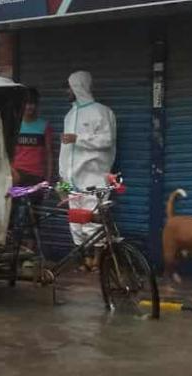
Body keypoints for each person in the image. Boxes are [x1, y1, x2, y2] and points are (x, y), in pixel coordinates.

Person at [60, 70, 116, 268]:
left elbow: (107, 141)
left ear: (78, 87)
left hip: (94, 179)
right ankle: (85, 260)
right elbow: (65, 151)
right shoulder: (70, 115)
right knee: (76, 223)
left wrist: (79, 139)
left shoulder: (102, 112)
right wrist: (62, 179)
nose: (66, 91)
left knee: (94, 221)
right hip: (72, 180)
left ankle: (98, 260)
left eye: (69, 86)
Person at [12, 87, 54, 186]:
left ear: (36, 105)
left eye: (31, 103)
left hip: (36, 176)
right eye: (25, 103)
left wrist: (48, 179)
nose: (28, 107)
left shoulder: (44, 126)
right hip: (16, 175)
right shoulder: (14, 125)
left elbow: (49, 154)